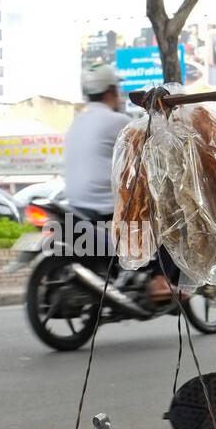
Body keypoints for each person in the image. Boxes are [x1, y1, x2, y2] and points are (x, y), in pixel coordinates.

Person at [64, 64, 178, 304]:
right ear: (110, 92)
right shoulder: (116, 121)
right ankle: (160, 280)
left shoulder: (76, 122)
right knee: (168, 219)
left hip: (76, 207)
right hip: (106, 209)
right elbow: (151, 145)